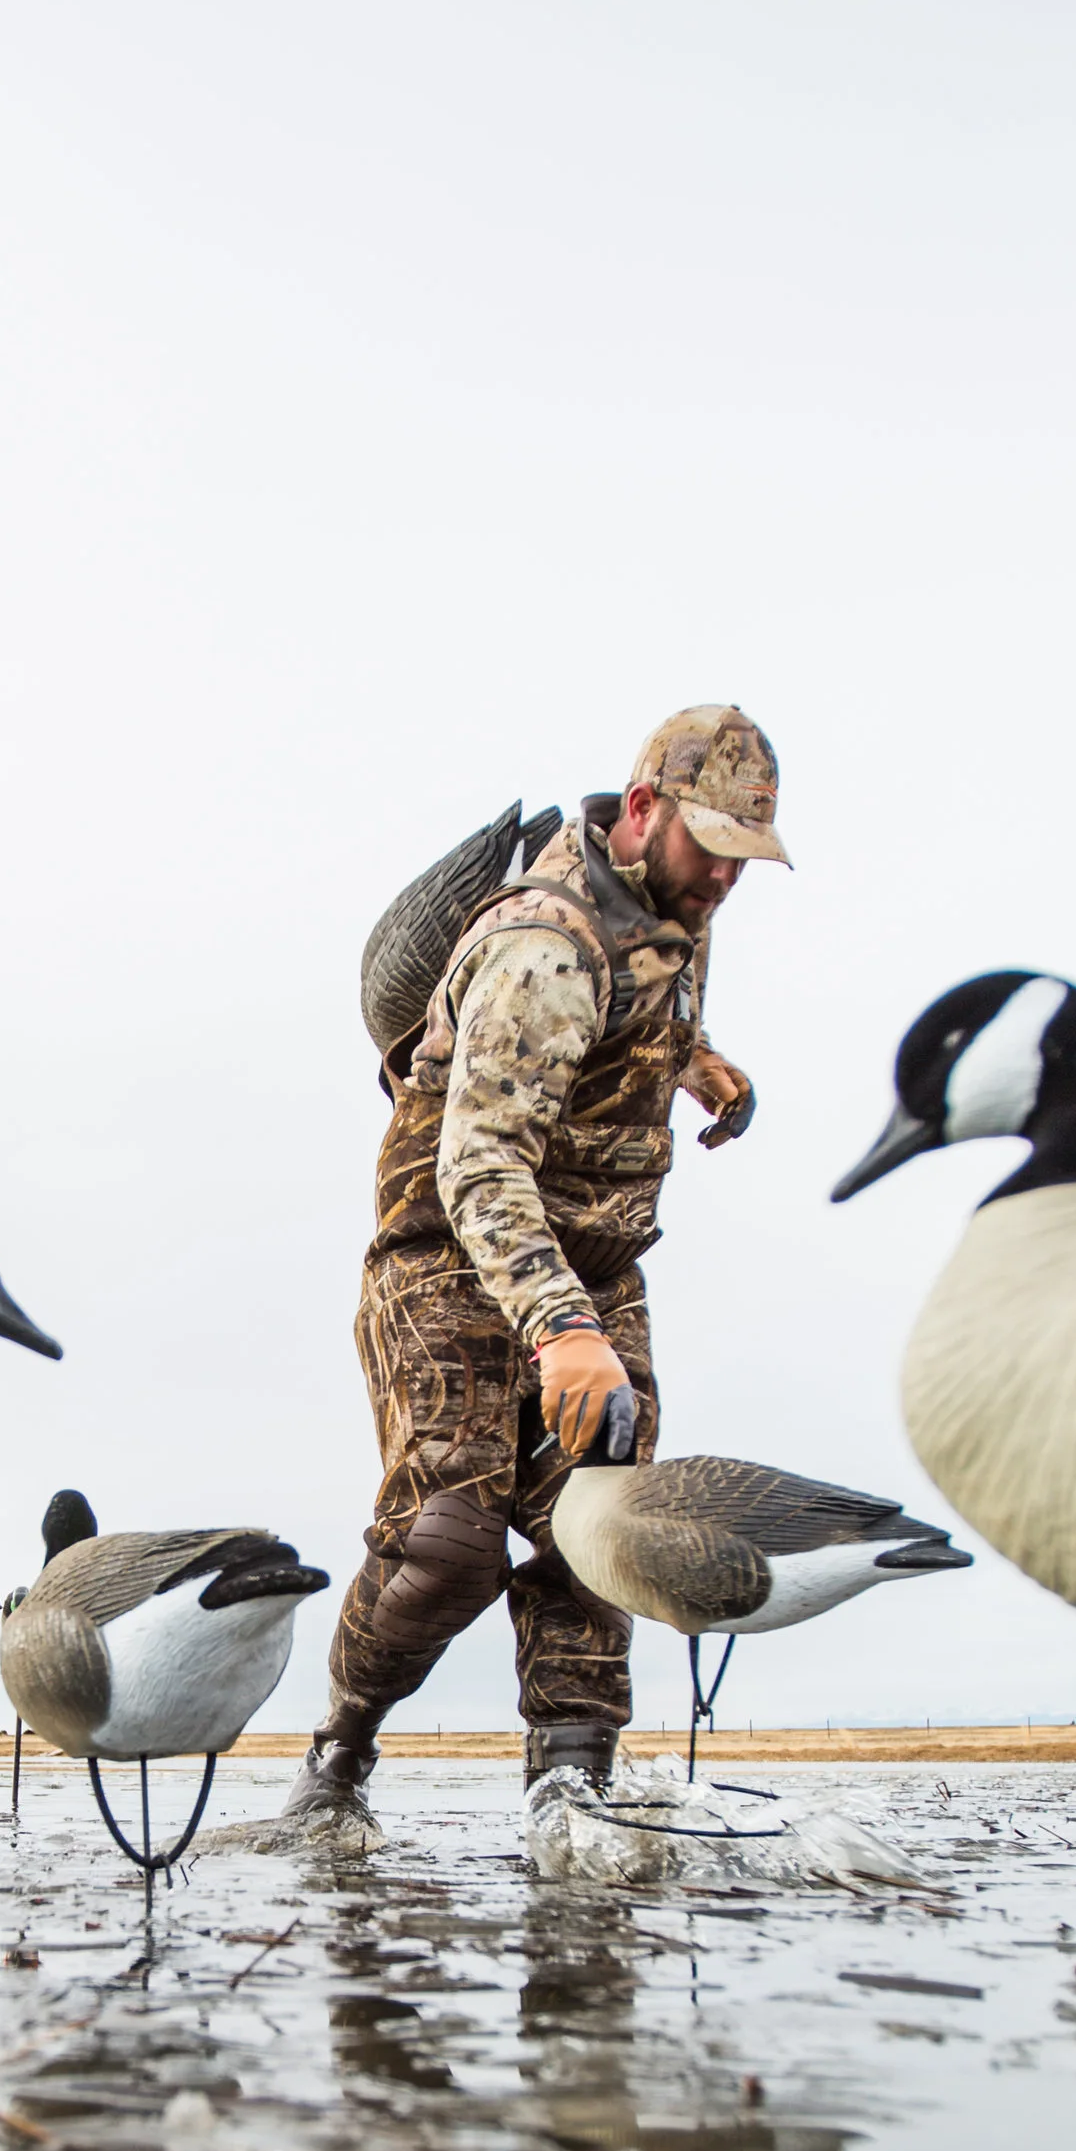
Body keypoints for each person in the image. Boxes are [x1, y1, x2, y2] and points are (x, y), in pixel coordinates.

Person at [284, 704, 787, 1840]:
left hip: (599, 1264)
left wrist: (692, 1062)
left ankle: (573, 1790)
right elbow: (480, 1170)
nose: (722, 880)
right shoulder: (542, 949)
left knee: (596, 1534)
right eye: (710, 847)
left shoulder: (675, 897)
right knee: (447, 1541)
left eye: (743, 856)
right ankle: (338, 1754)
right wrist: (562, 1330)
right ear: (644, 808)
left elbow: (652, 988)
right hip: (453, 1256)